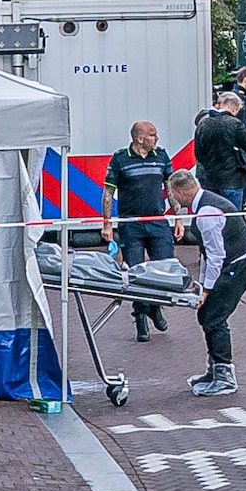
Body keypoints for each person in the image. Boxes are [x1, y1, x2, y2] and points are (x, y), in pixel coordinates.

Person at [171, 168, 246, 397]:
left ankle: (225, 377)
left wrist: (207, 289)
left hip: (237, 265)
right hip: (235, 261)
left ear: (180, 193)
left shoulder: (207, 213)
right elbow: (207, 255)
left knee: (214, 317)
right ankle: (215, 370)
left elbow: (216, 255)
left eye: (172, 194)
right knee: (207, 315)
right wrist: (201, 287)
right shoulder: (206, 203)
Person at [100, 121, 178, 342]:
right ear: (139, 139)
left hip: (158, 222)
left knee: (164, 268)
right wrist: (107, 224)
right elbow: (108, 192)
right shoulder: (120, 159)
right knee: (136, 271)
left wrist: (178, 219)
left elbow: (170, 187)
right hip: (130, 224)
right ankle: (141, 317)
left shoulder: (161, 156)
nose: (157, 138)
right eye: (153, 135)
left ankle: (154, 307)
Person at [191, 91, 246, 214]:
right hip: (232, 178)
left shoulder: (203, 123)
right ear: (234, 108)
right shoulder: (235, 124)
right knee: (233, 218)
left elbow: (198, 152)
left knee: (212, 215)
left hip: (209, 179)